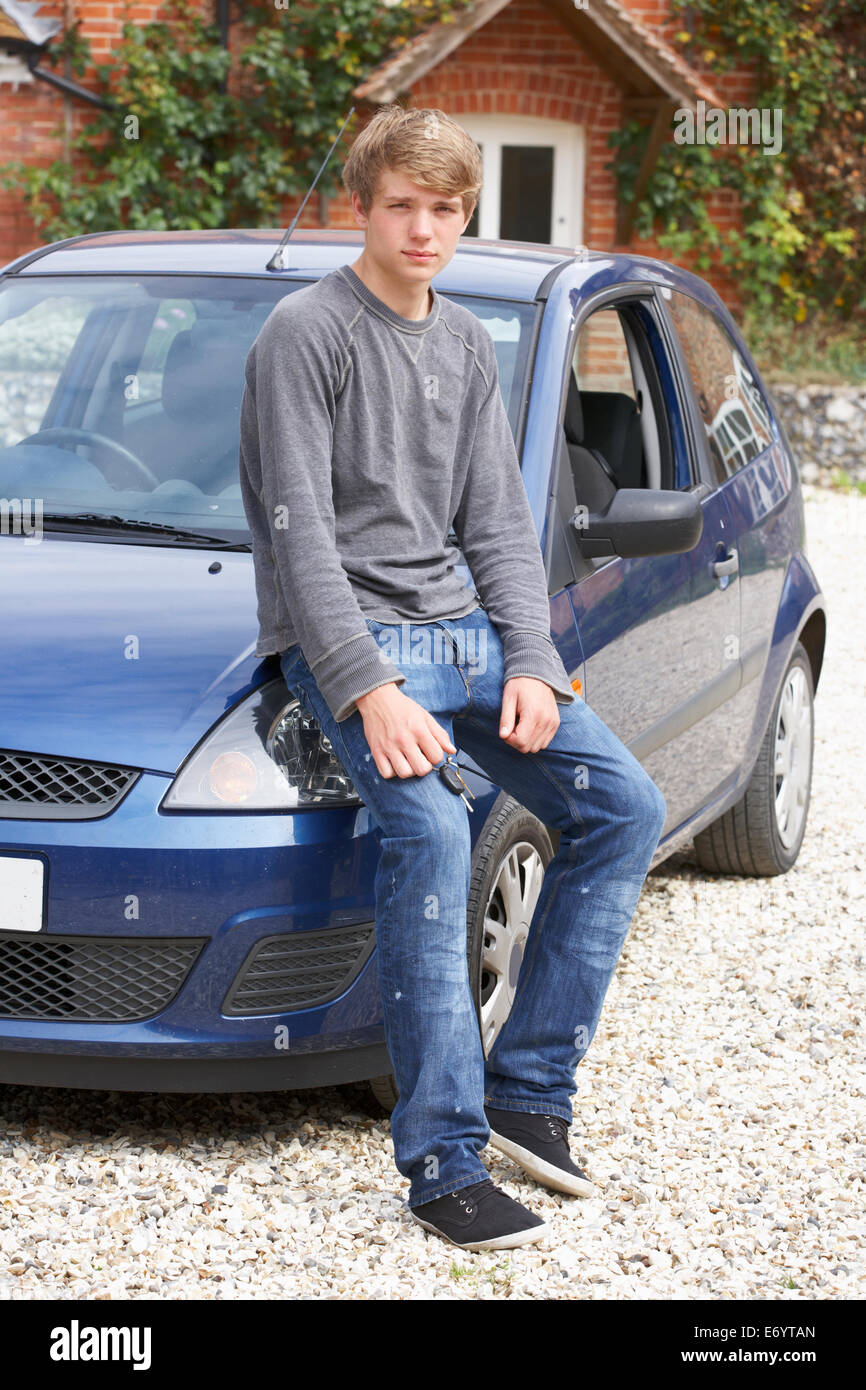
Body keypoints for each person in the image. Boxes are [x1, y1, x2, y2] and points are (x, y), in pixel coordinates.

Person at [239, 105, 667, 1252]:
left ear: (464, 214)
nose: (424, 228)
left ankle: (528, 1089)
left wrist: (529, 655)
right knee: (430, 832)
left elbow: (494, 519)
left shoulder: (468, 342)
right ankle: (440, 1154)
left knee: (625, 806)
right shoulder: (303, 332)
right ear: (362, 206)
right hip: (351, 648)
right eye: (402, 206)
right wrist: (368, 687)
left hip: (463, 631)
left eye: (446, 209)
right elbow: (298, 538)